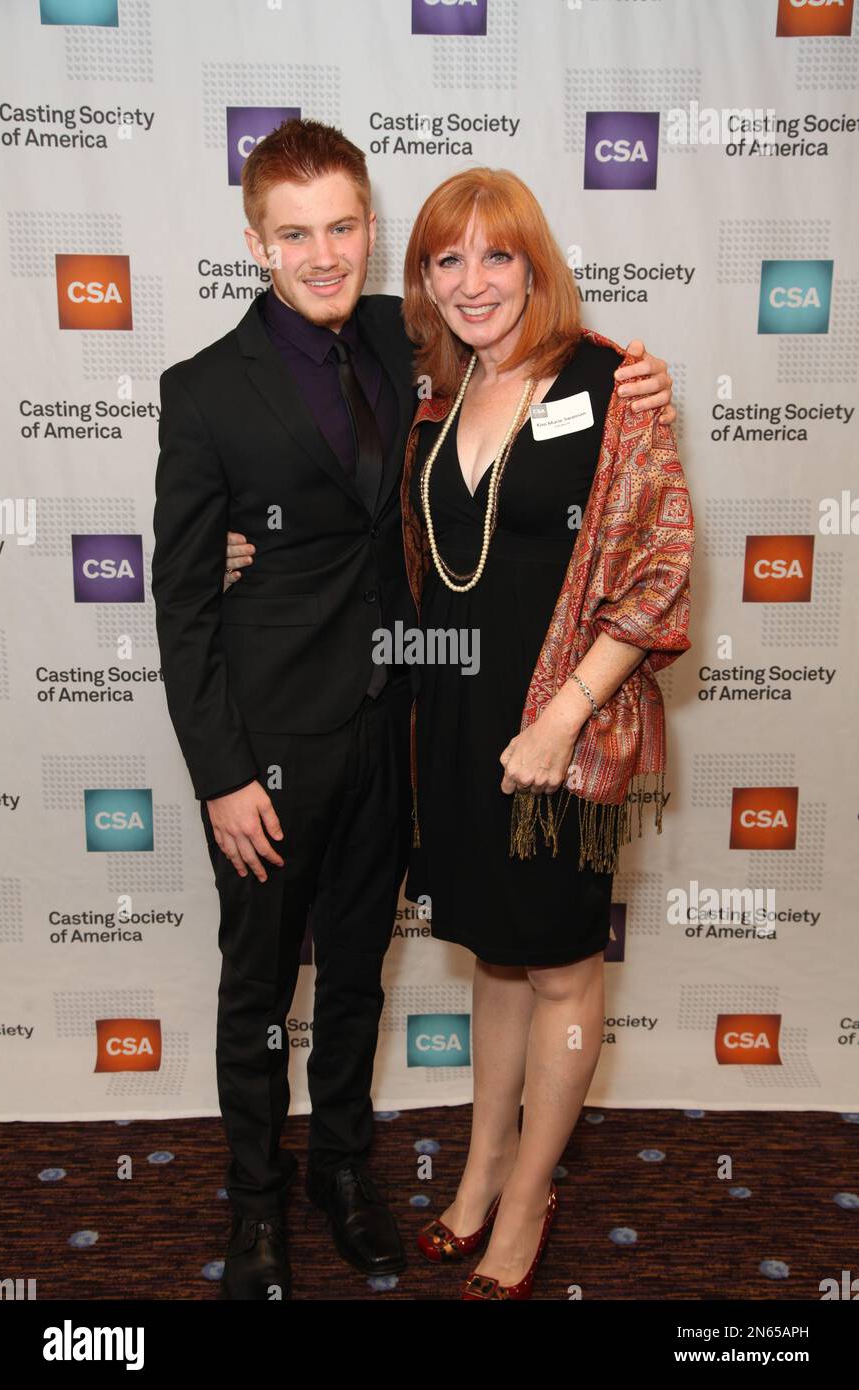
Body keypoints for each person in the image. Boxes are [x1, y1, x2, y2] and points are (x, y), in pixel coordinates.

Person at [155, 118, 675, 1302]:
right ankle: (254, 1210)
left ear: (370, 231)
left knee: (357, 977)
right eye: (296, 234)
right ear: (256, 243)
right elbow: (179, 602)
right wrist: (219, 772)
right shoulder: (205, 391)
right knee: (258, 987)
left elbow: (553, 374)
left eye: (343, 227)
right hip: (274, 751)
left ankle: (343, 1175)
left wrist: (631, 375)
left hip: (411, 724)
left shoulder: (417, 346)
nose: (323, 253)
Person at [391, 167, 694, 1299]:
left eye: (496, 256)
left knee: (561, 963)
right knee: (497, 951)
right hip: (459, 718)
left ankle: (527, 1199)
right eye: (445, 259)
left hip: (562, 727)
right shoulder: (436, 390)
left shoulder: (614, 381)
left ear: (534, 264)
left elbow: (660, 571)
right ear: (423, 278)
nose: (472, 282)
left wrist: (561, 719)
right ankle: (478, 1174)